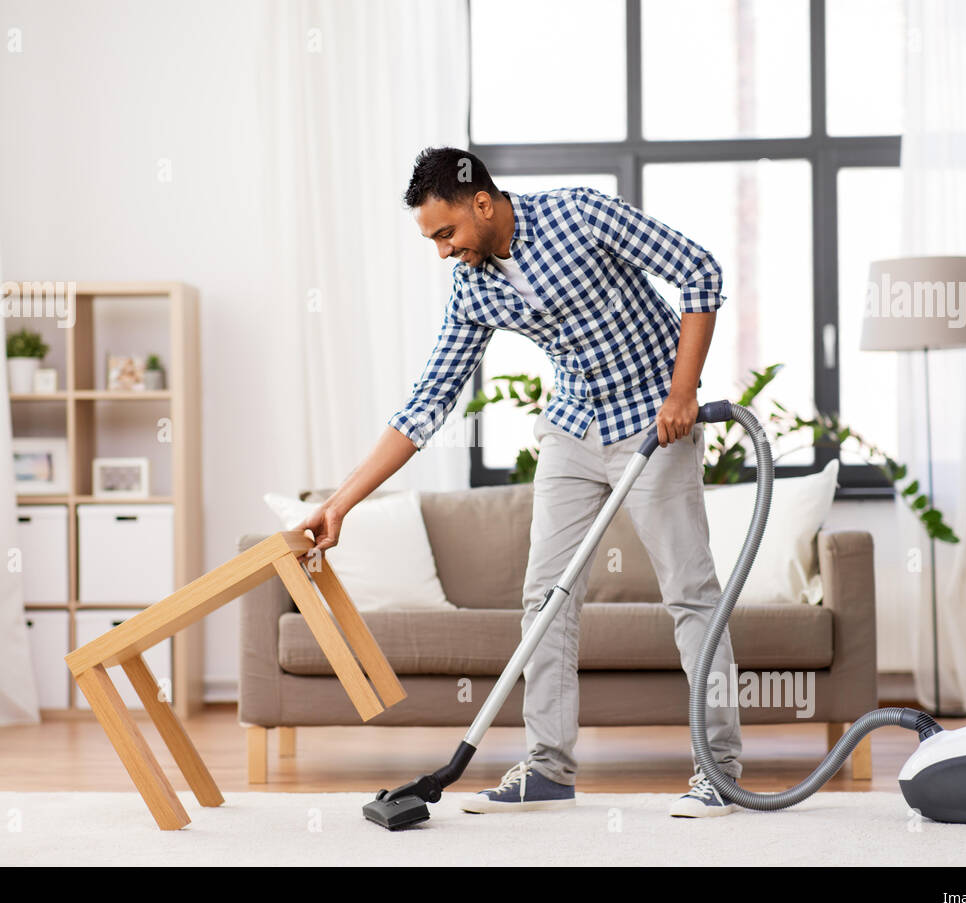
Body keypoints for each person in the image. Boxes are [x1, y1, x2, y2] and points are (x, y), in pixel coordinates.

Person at [294, 146, 742, 818]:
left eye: (446, 234)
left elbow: (699, 272)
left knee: (690, 592)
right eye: (431, 240)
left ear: (482, 202)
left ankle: (720, 771)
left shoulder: (581, 215)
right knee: (546, 598)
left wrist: (683, 392)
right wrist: (340, 505)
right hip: (570, 430)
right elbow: (427, 402)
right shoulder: (473, 288)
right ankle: (548, 770)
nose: (443, 251)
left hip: (653, 424)